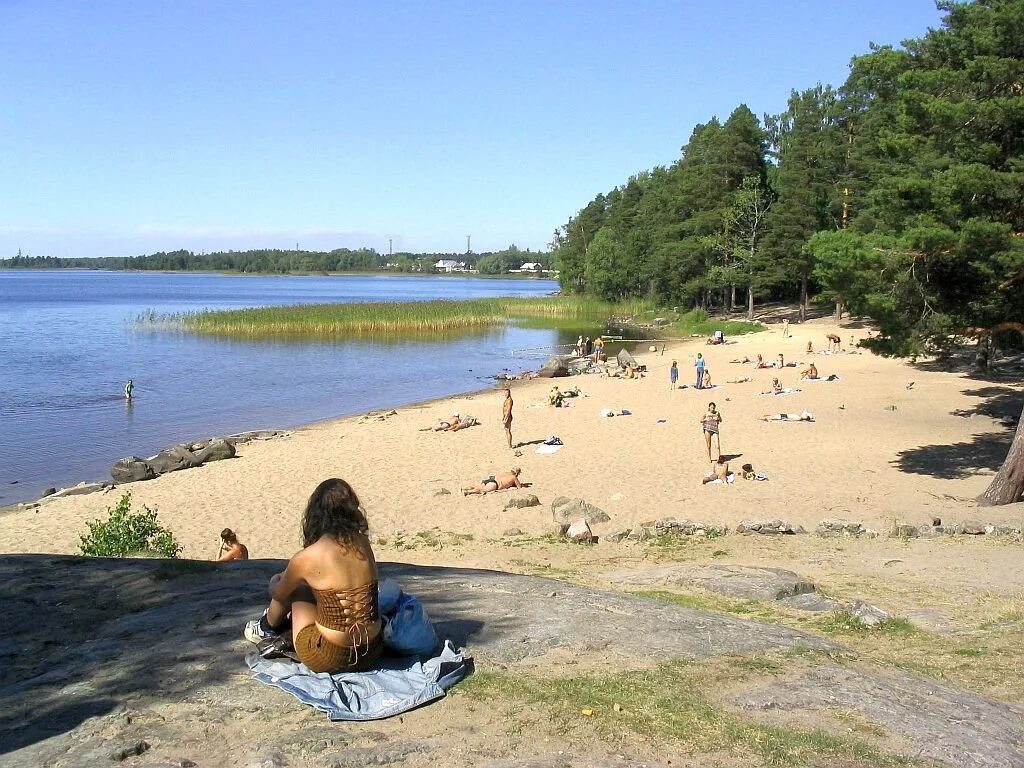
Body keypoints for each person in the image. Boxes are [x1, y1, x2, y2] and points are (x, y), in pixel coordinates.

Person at [243, 479, 383, 673]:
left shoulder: (308, 557)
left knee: (298, 589)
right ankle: (268, 626)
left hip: (330, 656)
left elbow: (280, 593)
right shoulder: (362, 543)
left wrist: (275, 581)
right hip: (372, 650)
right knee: (323, 590)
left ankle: (266, 627)